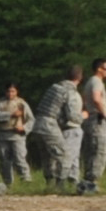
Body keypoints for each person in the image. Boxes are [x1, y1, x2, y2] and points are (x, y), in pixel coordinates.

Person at [34, 64, 84, 192]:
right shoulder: (70, 91)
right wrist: (83, 117)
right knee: (65, 155)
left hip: (37, 122)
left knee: (47, 157)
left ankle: (49, 184)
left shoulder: (54, 87)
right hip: (49, 123)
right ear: (79, 78)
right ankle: (60, 185)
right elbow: (72, 115)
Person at [0, 83, 35, 186]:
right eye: (8, 91)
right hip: (3, 134)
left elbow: (31, 120)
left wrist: (24, 128)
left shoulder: (21, 103)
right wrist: (10, 115)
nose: (10, 94)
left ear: (17, 92)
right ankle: (8, 183)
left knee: (20, 158)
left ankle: (26, 180)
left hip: (17, 135)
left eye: (13, 91)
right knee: (5, 159)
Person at [79, 56, 106, 195]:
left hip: (90, 119)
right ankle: (93, 182)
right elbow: (96, 98)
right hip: (97, 119)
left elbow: (84, 98)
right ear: (99, 69)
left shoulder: (89, 82)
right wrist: (103, 112)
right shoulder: (97, 82)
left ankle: (88, 182)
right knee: (100, 151)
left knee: (91, 150)